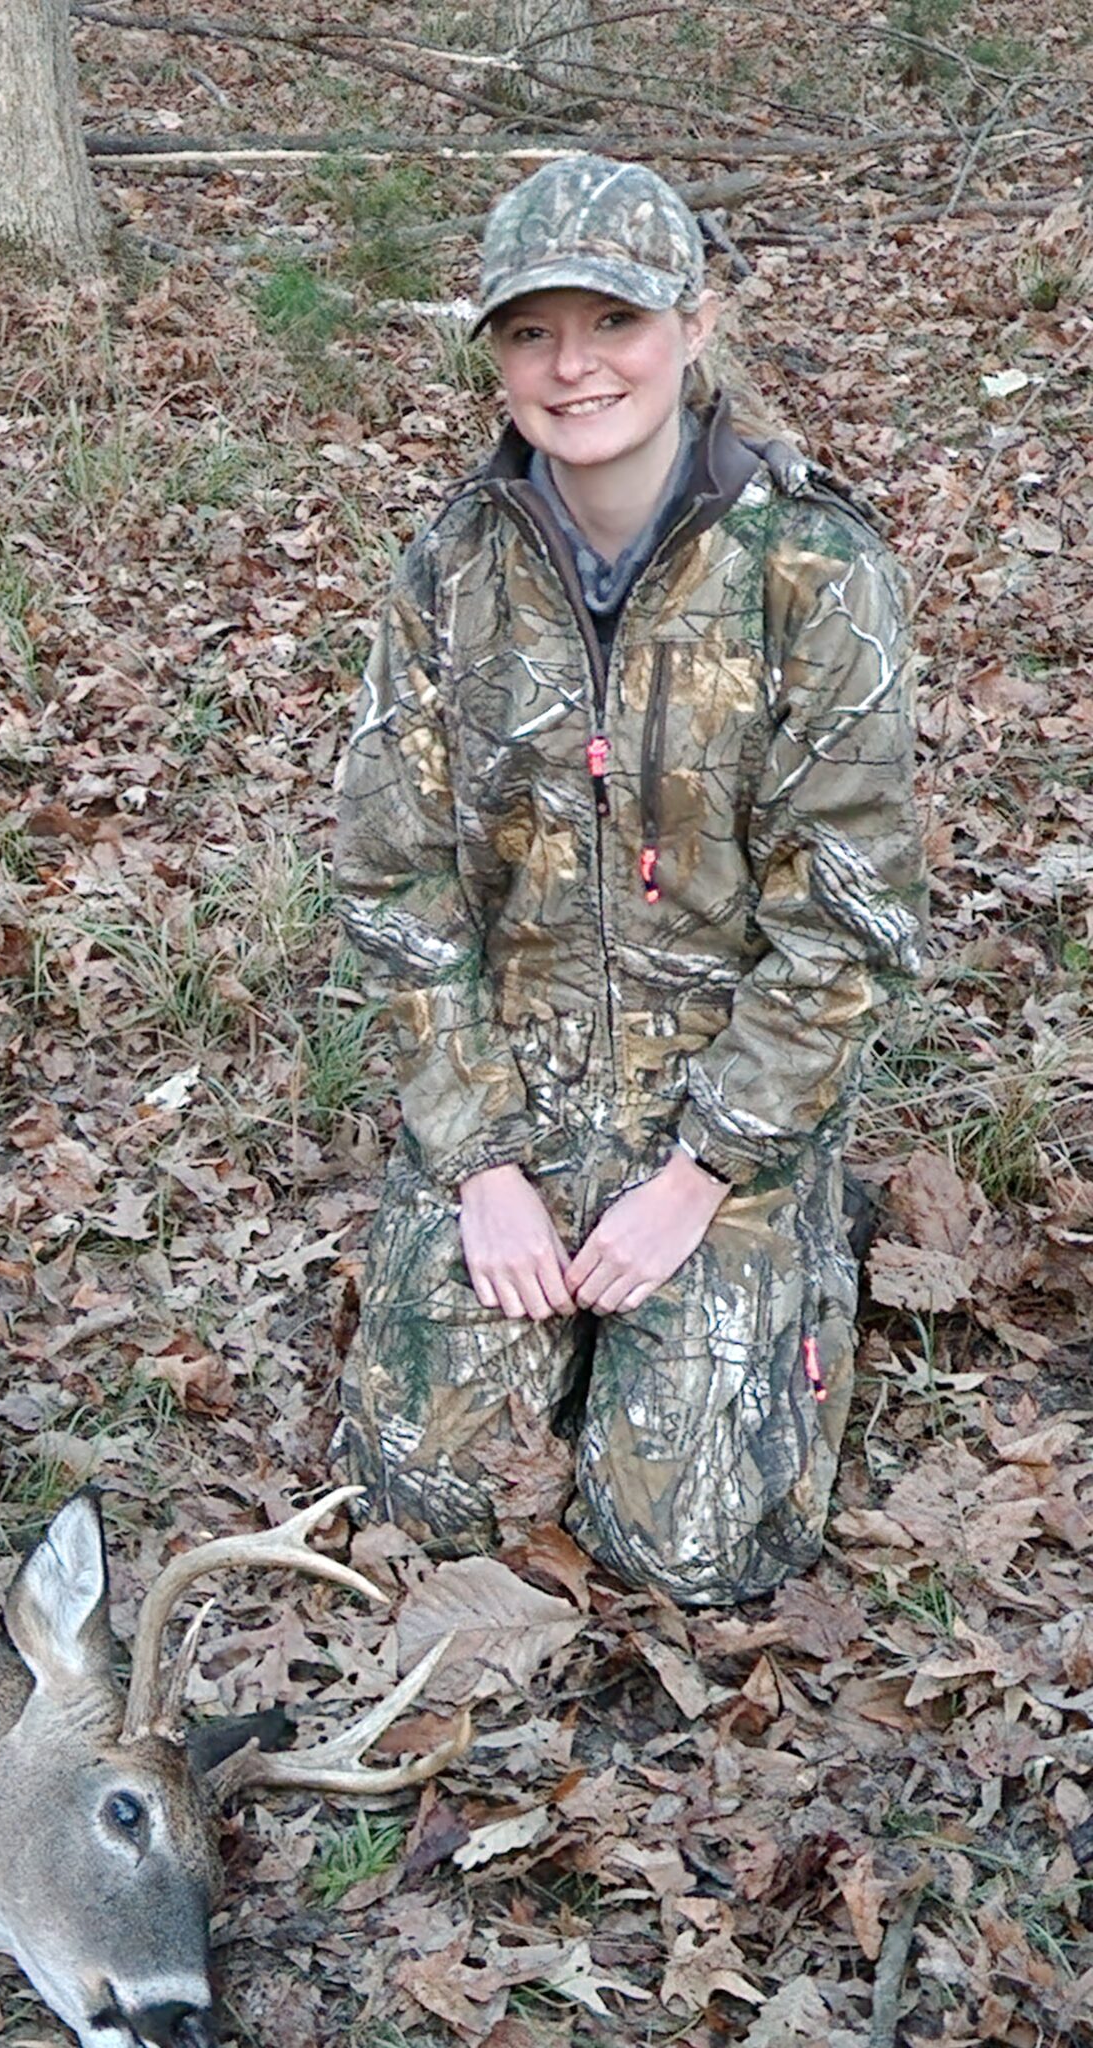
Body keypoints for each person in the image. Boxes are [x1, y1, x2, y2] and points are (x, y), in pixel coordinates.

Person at [331, 154, 925, 1607]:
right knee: (427, 1497)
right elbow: (393, 882)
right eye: (533, 331)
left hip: (716, 1116)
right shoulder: (449, 572)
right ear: (494, 353)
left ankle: (805, 1261)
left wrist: (701, 1176)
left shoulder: (812, 570)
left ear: (696, 323)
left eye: (615, 322)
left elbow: (845, 924)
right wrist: (479, 1165)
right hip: (518, 1100)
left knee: (694, 1550)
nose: (574, 366)